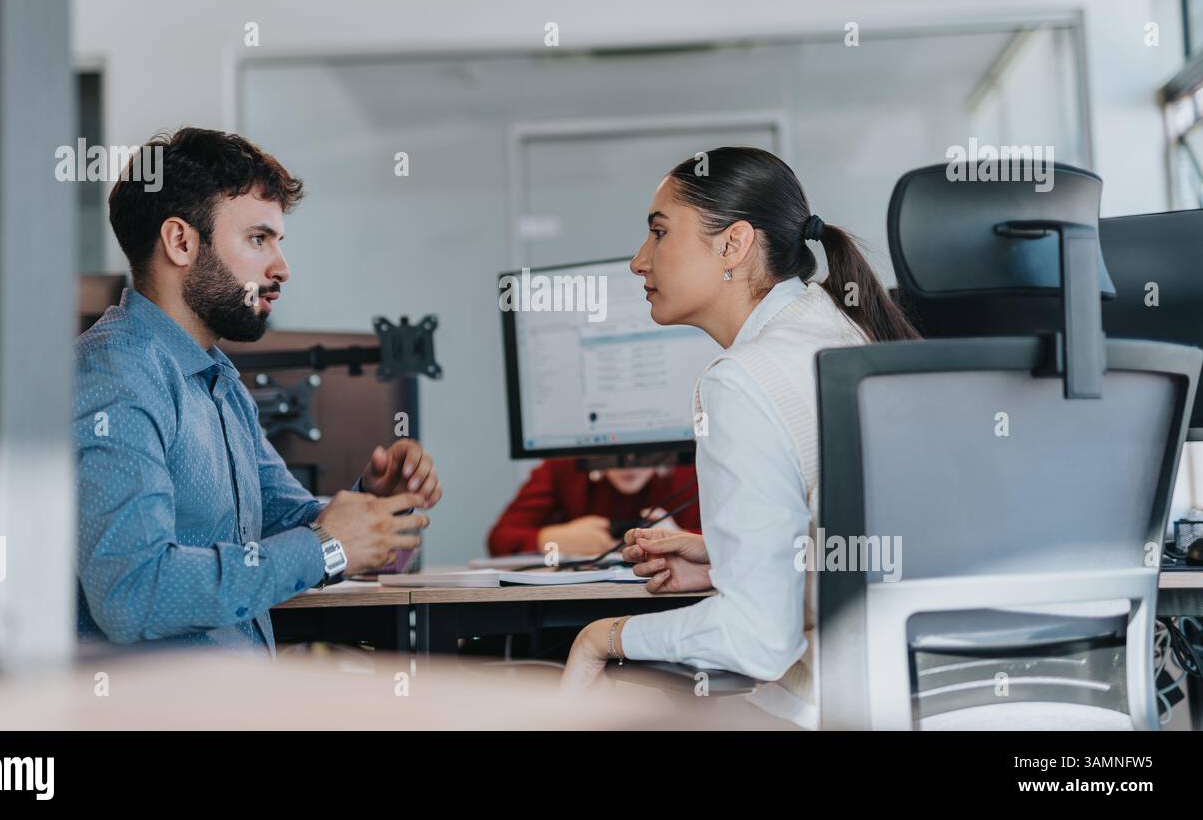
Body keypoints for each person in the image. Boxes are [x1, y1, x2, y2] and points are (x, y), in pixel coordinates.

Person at [561, 146, 918, 728]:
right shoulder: (839, 329)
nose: (638, 262)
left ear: (733, 244)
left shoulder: (741, 381)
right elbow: (878, 548)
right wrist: (727, 559)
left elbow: (758, 641)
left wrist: (605, 637)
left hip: (836, 703)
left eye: (658, 233)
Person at [74, 127, 441, 651]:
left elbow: (278, 520)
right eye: (257, 238)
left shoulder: (217, 380)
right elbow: (135, 593)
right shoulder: (115, 378)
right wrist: (328, 547)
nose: (282, 268)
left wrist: (370, 509)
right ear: (181, 242)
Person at [487, 461, 700, 557]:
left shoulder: (692, 472)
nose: (629, 462)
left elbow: (727, 544)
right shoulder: (564, 467)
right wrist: (553, 539)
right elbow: (499, 539)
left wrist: (682, 539)